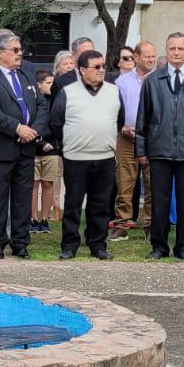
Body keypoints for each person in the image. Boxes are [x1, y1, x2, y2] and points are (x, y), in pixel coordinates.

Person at [136, 32, 184, 260]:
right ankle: (159, 246)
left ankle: (183, 247)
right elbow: (143, 118)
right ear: (166, 50)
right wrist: (141, 150)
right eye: (172, 49)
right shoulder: (153, 80)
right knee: (159, 201)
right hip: (159, 150)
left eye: (181, 49)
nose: (177, 53)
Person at [0, 32, 47, 259]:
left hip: (26, 148)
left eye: (20, 49)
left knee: (22, 198)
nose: (20, 53)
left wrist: (33, 131)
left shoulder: (26, 77)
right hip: (1, 148)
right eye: (15, 50)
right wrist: (17, 128)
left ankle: (20, 242)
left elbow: (42, 106)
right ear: (0, 53)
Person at [49, 50, 123, 260]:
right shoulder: (68, 92)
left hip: (105, 157)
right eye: (96, 66)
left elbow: (119, 120)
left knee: (100, 204)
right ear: (82, 70)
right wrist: (70, 143)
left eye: (103, 66)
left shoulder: (113, 91)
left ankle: (97, 244)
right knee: (73, 204)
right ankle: (69, 245)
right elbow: (55, 122)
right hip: (76, 158)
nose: (101, 70)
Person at [112, 42, 152, 242]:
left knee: (153, 183)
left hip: (153, 139)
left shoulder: (159, 80)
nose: (152, 59)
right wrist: (122, 128)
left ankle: (151, 225)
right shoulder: (122, 81)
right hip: (126, 139)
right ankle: (121, 224)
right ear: (136, 57)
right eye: (147, 56)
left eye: (153, 56)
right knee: (125, 183)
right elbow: (114, 109)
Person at [32, 66, 60, 234]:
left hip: (52, 149)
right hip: (33, 148)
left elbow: (57, 123)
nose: (52, 86)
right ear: (38, 84)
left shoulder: (55, 100)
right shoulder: (32, 100)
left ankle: (44, 219)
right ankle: (33, 219)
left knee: (48, 183)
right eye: (48, 83)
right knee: (33, 184)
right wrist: (39, 141)